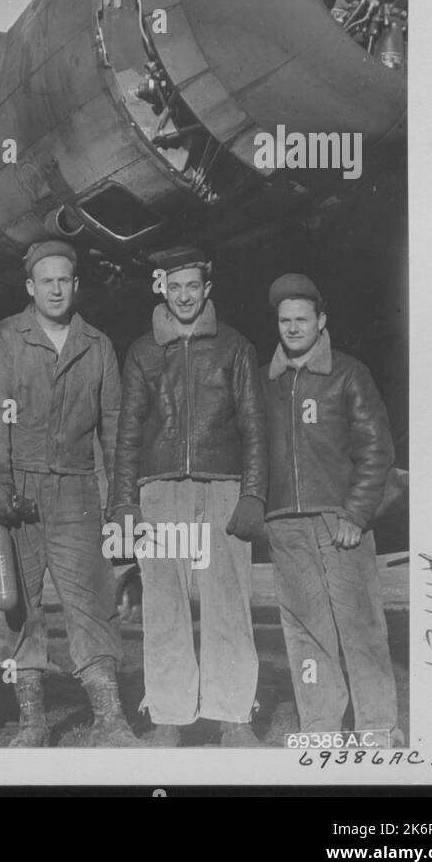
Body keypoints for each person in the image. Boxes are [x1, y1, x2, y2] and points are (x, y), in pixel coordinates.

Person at [0, 240, 138, 747]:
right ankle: (32, 723)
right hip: (17, 490)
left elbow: (114, 431)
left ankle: (111, 719)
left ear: (76, 285)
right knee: (18, 606)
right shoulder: (3, 341)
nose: (55, 289)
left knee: (92, 601)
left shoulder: (98, 345)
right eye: (46, 281)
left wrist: (120, 502)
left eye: (64, 280)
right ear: (30, 287)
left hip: (75, 489)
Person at [109, 248, 268, 747]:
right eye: (174, 287)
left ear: (207, 290)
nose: (183, 296)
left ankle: (235, 717)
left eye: (192, 287)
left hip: (222, 488)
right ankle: (169, 718)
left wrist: (254, 493)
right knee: (164, 606)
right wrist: (125, 505)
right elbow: (128, 432)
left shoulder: (235, 347)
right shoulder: (141, 351)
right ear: (163, 290)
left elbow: (255, 428)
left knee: (228, 604)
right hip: (158, 494)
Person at [262, 273, 399, 742]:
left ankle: (377, 726)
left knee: (360, 626)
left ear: (321, 321)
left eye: (302, 319)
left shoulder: (349, 372)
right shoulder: (268, 381)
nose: (293, 328)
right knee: (305, 633)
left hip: (340, 523)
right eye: (285, 320)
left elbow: (377, 450)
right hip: (286, 525)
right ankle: (320, 725)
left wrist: (355, 514)